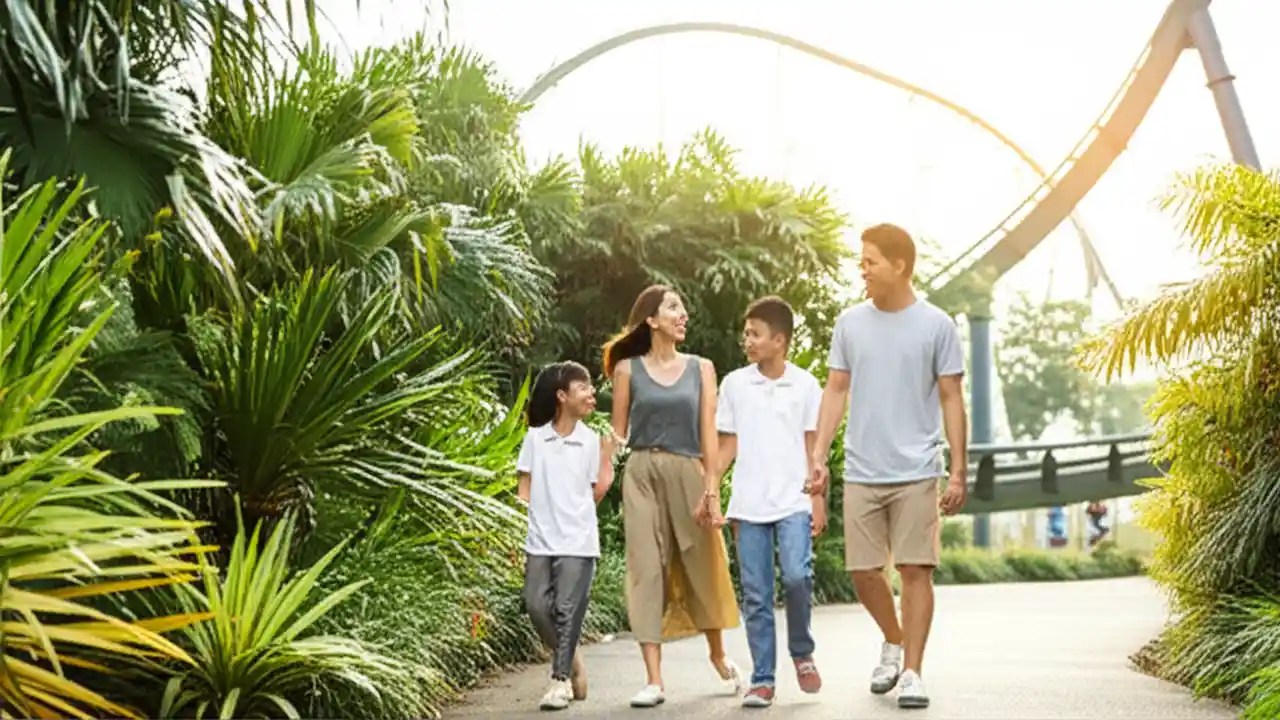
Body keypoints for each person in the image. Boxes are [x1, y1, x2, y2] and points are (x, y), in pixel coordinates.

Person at [809, 223, 969, 710]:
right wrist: (818, 454)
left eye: (871, 261)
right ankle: (894, 641)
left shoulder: (937, 325)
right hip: (862, 468)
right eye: (862, 260)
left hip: (918, 469)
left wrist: (958, 470)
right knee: (862, 571)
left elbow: (951, 398)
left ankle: (914, 672)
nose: (863, 269)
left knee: (916, 569)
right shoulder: (850, 324)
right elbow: (836, 389)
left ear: (900, 266)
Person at [604, 285, 743, 708]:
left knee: (703, 560)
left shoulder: (701, 368)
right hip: (642, 472)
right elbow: (617, 432)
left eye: (682, 308)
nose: (682, 315)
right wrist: (598, 474)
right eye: (672, 308)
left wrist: (711, 488)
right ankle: (654, 680)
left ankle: (718, 654)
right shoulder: (627, 370)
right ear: (651, 319)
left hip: (688, 469)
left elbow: (708, 430)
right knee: (647, 567)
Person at [712, 296, 826, 708]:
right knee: (756, 593)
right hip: (749, 504)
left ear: (780, 340)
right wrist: (711, 488)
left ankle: (802, 650)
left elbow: (814, 448)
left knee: (797, 576)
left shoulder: (806, 384)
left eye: (755, 334)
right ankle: (763, 679)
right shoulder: (735, 384)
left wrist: (819, 500)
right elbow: (727, 444)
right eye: (746, 333)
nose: (747, 340)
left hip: (794, 499)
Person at [517, 361, 616, 712]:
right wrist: (519, 524)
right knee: (535, 606)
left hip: (578, 539)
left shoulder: (591, 441)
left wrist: (607, 461)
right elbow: (524, 488)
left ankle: (559, 681)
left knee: (565, 609)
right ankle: (573, 660)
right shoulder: (535, 439)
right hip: (540, 539)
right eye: (584, 388)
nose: (592, 394)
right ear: (562, 396)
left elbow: (596, 493)